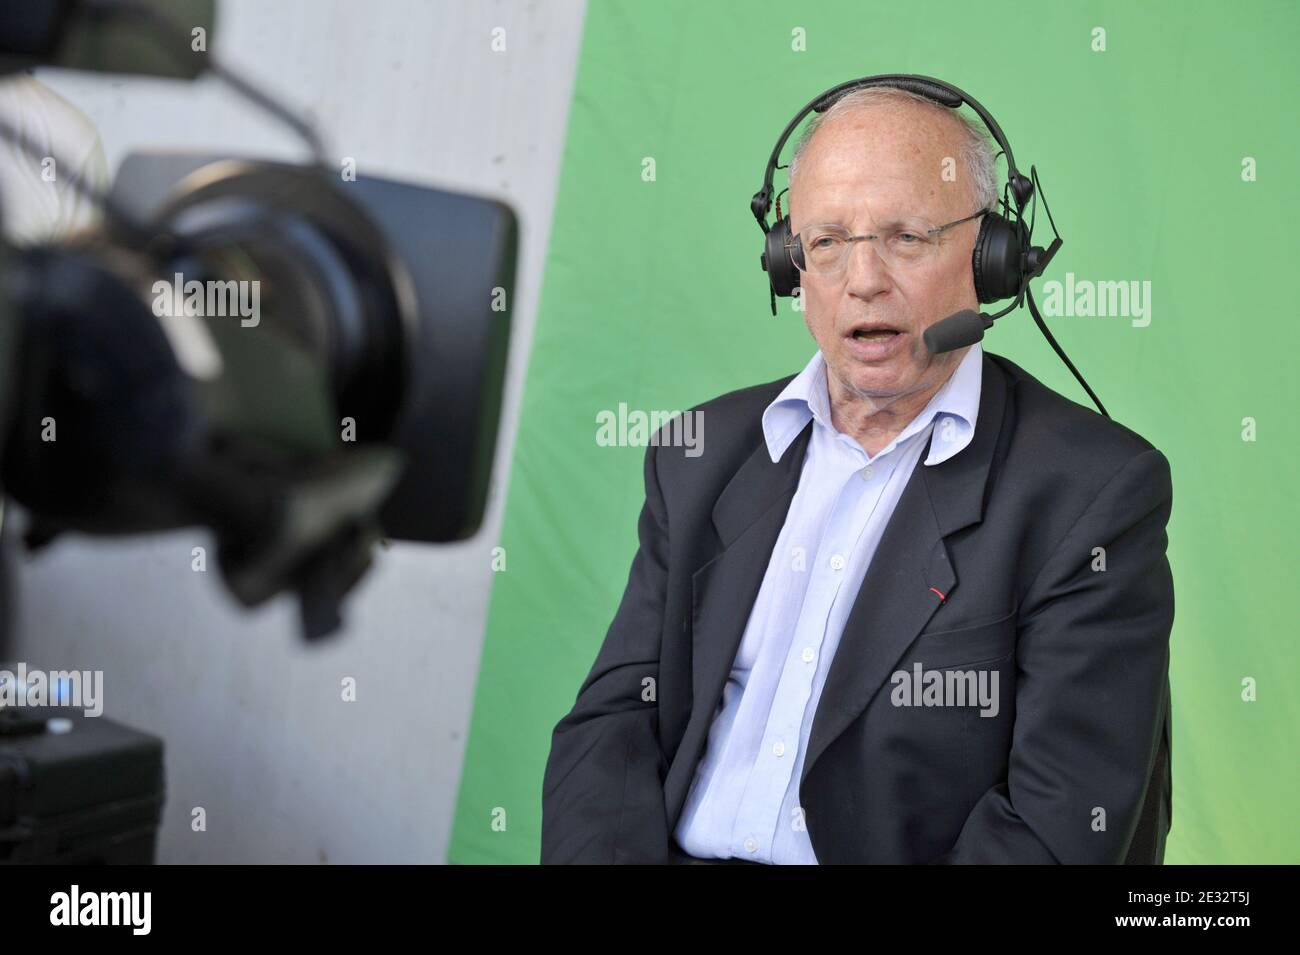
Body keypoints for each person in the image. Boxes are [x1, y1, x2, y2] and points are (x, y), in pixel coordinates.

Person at [541, 84, 1174, 864]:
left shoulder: (1091, 495)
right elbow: (610, 729)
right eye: (829, 242)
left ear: (992, 258)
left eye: (906, 237)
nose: (863, 279)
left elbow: (1056, 828)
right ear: (789, 266)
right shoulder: (700, 453)